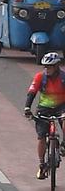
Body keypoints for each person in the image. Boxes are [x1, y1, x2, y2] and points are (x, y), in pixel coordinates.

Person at [25, 52, 65, 180]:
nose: (47, 69)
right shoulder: (40, 77)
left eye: (50, 67)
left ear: (57, 66)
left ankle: (64, 144)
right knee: (41, 136)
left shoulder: (63, 78)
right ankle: (42, 164)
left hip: (61, 107)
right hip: (44, 108)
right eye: (45, 67)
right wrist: (27, 108)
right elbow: (32, 92)